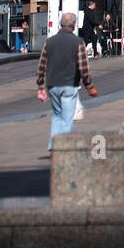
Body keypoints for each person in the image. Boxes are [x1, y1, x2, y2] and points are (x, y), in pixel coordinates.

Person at [35, 11, 98, 150]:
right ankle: (63, 146)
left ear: (60, 24)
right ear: (74, 26)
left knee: (57, 115)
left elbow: (41, 65)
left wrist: (41, 86)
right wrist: (89, 86)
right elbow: (83, 67)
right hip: (69, 84)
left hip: (52, 85)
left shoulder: (49, 42)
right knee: (67, 118)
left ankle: (53, 144)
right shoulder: (77, 42)